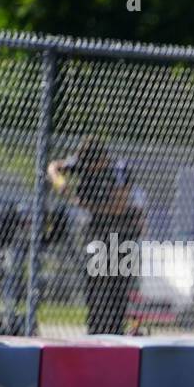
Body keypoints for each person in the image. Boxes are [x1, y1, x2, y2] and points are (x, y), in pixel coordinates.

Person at [47, 136, 144, 334]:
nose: (88, 170)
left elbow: (119, 207)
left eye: (92, 166)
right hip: (98, 229)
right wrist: (60, 184)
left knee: (118, 285)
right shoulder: (82, 163)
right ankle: (95, 331)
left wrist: (82, 203)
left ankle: (115, 332)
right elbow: (53, 167)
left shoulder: (118, 170)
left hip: (124, 229)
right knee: (95, 281)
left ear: (101, 161)